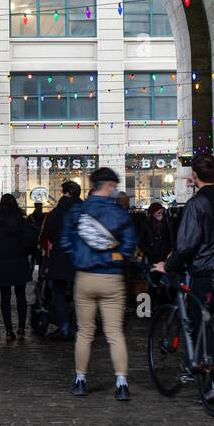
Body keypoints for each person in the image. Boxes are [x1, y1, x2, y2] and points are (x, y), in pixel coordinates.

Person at [153, 154, 214, 394]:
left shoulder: (196, 204)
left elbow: (187, 243)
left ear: (194, 176)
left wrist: (168, 266)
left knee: (200, 324)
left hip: (206, 272)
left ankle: (211, 380)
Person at [61, 168, 137, 399]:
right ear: (109, 186)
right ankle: (121, 384)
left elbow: (65, 241)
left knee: (84, 333)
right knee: (114, 333)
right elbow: (129, 246)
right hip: (112, 279)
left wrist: (79, 257)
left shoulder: (77, 212)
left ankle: (81, 380)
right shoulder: (120, 214)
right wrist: (115, 257)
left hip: (84, 277)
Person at [0, 194, 36, 341]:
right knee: (21, 295)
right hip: (19, 260)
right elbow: (29, 240)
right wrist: (24, 251)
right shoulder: (21, 220)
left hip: (1, 261)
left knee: (5, 297)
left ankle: (8, 330)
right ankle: (20, 328)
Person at [42, 179, 82, 338]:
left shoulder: (56, 213)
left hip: (60, 258)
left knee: (58, 293)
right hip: (80, 258)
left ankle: (64, 326)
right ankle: (80, 328)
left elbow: (49, 234)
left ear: (66, 193)